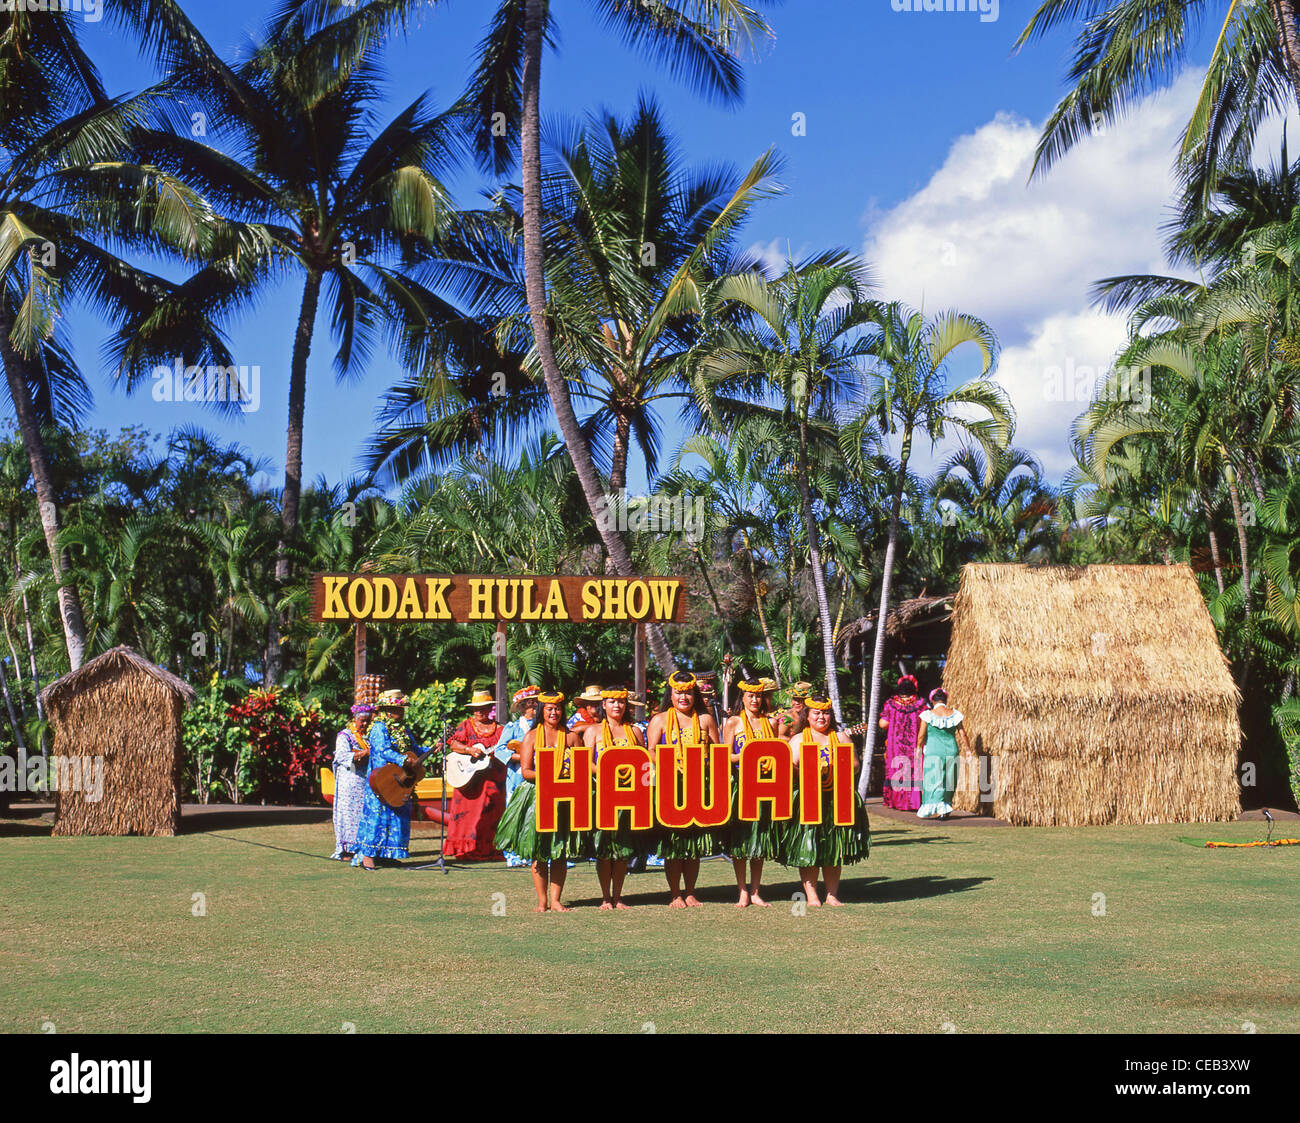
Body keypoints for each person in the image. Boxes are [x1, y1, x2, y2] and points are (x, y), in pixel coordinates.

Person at [495, 691, 584, 911]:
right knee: (540, 850)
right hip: (538, 796)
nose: (554, 712)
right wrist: (552, 772)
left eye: (557, 708)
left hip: (564, 796)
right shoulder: (532, 736)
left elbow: (580, 767)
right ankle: (542, 900)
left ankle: (555, 899)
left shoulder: (571, 737)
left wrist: (568, 772)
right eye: (549, 708)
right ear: (542, 711)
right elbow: (525, 771)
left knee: (560, 849)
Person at [783, 693, 870, 906]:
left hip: (836, 800)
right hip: (808, 800)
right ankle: (812, 895)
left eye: (825, 713)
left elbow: (855, 765)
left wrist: (833, 766)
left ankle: (832, 894)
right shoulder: (799, 739)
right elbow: (791, 767)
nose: (821, 717)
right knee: (809, 847)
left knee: (833, 847)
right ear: (808, 715)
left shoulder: (841, 737)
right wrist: (808, 770)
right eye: (816, 713)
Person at [645, 670, 722, 908]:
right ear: (671, 693)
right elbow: (650, 750)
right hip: (671, 785)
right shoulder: (659, 720)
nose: (684, 697)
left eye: (688, 692)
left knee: (694, 843)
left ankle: (690, 892)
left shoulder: (706, 719)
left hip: (699, 785)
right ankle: (675, 893)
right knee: (674, 842)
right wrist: (671, 763)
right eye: (679, 692)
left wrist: (705, 764)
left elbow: (717, 750)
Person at [721, 679, 781, 908]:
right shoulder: (733, 722)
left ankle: (756, 890)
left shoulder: (771, 723)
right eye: (750, 696)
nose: (755, 700)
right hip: (741, 784)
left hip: (765, 783)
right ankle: (742, 890)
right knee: (742, 838)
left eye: (758, 696)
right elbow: (725, 756)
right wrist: (749, 754)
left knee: (759, 838)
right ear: (742, 698)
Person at [583, 686, 644, 909]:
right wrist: (607, 771)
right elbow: (586, 762)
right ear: (604, 705)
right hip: (603, 792)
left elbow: (644, 762)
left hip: (629, 794)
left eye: (620, 702)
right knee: (605, 848)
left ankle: (618, 896)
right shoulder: (593, 731)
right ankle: (605, 897)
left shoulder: (635, 732)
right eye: (611, 702)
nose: (616, 706)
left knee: (622, 848)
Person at [352, 690, 425, 870]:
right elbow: (382, 750)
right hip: (381, 779)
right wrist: (402, 759)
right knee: (376, 817)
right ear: (386, 709)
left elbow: (414, 749)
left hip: (399, 781)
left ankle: (388, 855)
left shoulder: (403, 729)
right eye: (395, 708)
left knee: (397, 817)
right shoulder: (379, 727)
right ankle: (367, 856)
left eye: (401, 709)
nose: (399, 712)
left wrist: (432, 748)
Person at [444, 690, 506, 861]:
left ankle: (490, 849)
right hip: (468, 779)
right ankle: (465, 849)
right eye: (476, 708)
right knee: (466, 816)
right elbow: (453, 744)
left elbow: (506, 748)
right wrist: (469, 749)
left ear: (490, 708)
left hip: (492, 779)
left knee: (492, 813)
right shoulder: (465, 725)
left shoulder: (500, 730)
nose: (479, 712)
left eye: (483, 708)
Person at [493, 686, 540, 867]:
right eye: (529, 704)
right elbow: (500, 750)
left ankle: (540, 853)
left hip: (541, 775)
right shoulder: (513, 728)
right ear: (521, 707)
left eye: (536, 703)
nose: (533, 707)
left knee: (538, 813)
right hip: (518, 777)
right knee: (517, 813)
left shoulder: (543, 728)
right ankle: (516, 855)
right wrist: (523, 757)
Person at [916, 688, 970, 820]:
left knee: (933, 779)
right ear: (945, 700)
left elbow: (921, 735)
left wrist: (918, 748)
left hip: (934, 750)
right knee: (949, 779)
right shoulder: (955, 714)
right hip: (952, 749)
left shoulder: (927, 715)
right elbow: (962, 733)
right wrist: (968, 750)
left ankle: (935, 808)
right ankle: (944, 809)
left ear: (932, 700)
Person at [879, 674, 927, 812]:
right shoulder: (921, 705)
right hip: (914, 745)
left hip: (896, 745)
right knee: (914, 771)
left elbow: (883, 724)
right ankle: (914, 802)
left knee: (896, 769)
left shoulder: (891, 704)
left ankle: (896, 801)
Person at [331, 703, 373, 860]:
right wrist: (363, 753)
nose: (365, 724)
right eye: (362, 720)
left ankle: (361, 849)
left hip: (365, 782)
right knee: (348, 815)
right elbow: (341, 757)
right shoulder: (345, 735)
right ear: (354, 720)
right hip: (348, 783)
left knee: (362, 815)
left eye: (368, 721)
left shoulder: (367, 737)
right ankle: (346, 850)